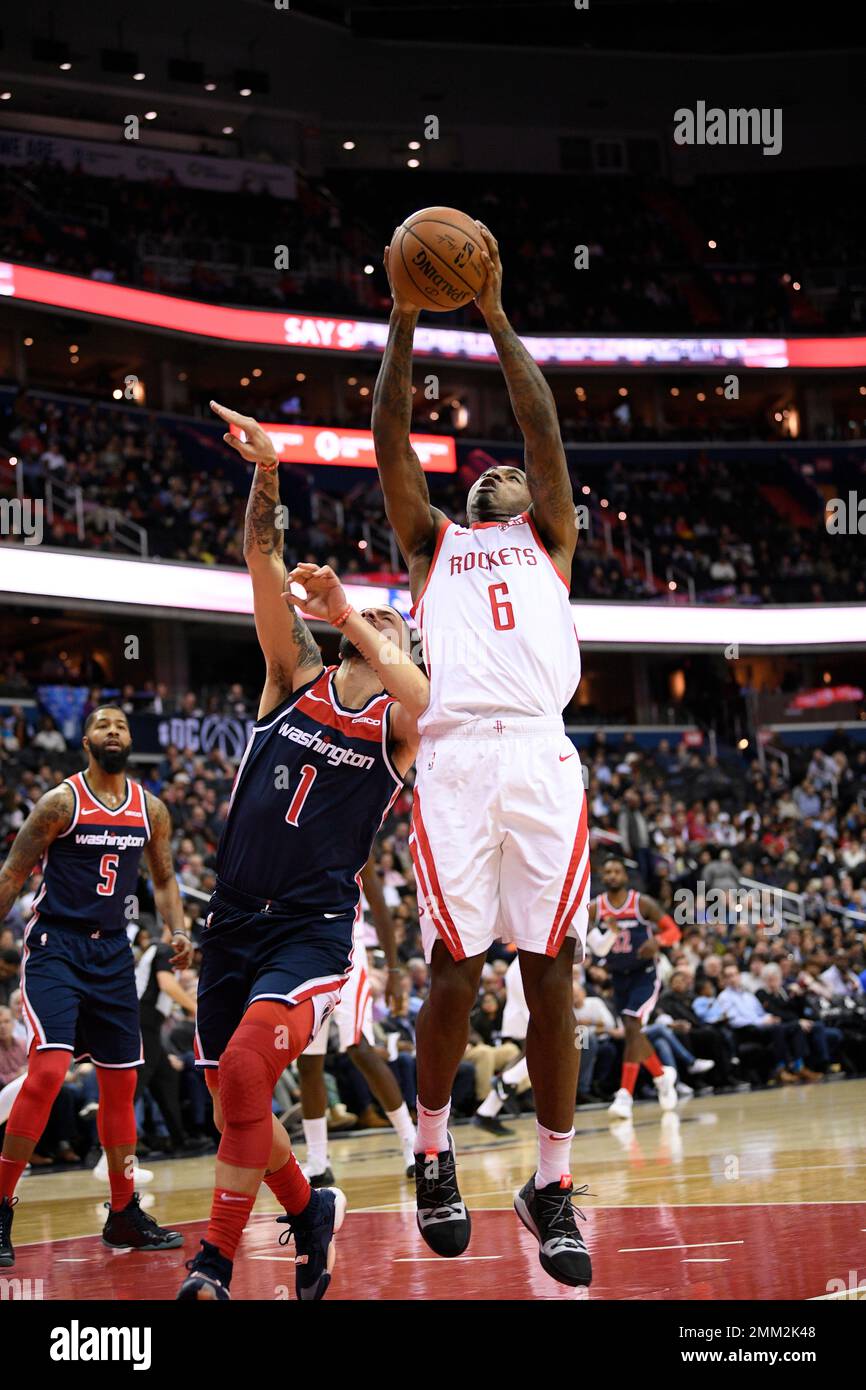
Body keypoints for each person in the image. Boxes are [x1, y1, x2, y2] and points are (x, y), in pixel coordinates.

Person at [373, 223, 591, 1287]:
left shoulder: (550, 533)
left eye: (515, 469)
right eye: (489, 470)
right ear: (468, 505)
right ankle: (429, 1150)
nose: (506, 467)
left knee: (553, 975)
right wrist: (408, 320)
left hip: (541, 758)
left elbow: (539, 427)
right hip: (457, 762)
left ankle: (550, 1183)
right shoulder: (434, 548)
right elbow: (389, 437)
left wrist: (496, 316)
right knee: (452, 971)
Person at [178, 402, 427, 1303]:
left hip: (310, 932)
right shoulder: (291, 679)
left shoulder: (393, 729)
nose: (383, 629)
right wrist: (269, 473)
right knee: (232, 1106)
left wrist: (355, 617)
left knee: (247, 1072)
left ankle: (212, 1259)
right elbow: (261, 560)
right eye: (377, 624)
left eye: (394, 625)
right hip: (232, 920)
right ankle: (308, 1207)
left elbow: (420, 693)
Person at [0, 706, 188, 1268]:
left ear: (130, 741)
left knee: (120, 1084)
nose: (113, 732)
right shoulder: (60, 801)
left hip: (112, 952)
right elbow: (13, 873)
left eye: (122, 726)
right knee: (52, 1069)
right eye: (103, 725)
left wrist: (176, 929)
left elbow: (163, 877)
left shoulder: (149, 808)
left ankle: (124, 1213)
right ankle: (2, 1204)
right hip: (57, 945)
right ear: (85, 741)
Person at [297, 858, 417, 1184]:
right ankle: (318, 1160)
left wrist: (393, 970)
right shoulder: (291, 829)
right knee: (308, 1062)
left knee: (360, 1048)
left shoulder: (354, 823)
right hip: (304, 952)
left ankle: (412, 1144)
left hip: (347, 950)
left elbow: (378, 905)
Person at [585, 857, 682, 1119]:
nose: (613, 875)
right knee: (632, 1032)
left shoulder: (641, 903)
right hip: (618, 977)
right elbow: (587, 936)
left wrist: (659, 941)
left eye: (617, 871)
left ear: (625, 877)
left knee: (631, 1024)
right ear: (603, 878)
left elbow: (674, 931)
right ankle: (661, 1076)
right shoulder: (596, 908)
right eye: (608, 872)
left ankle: (624, 1095)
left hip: (645, 975)